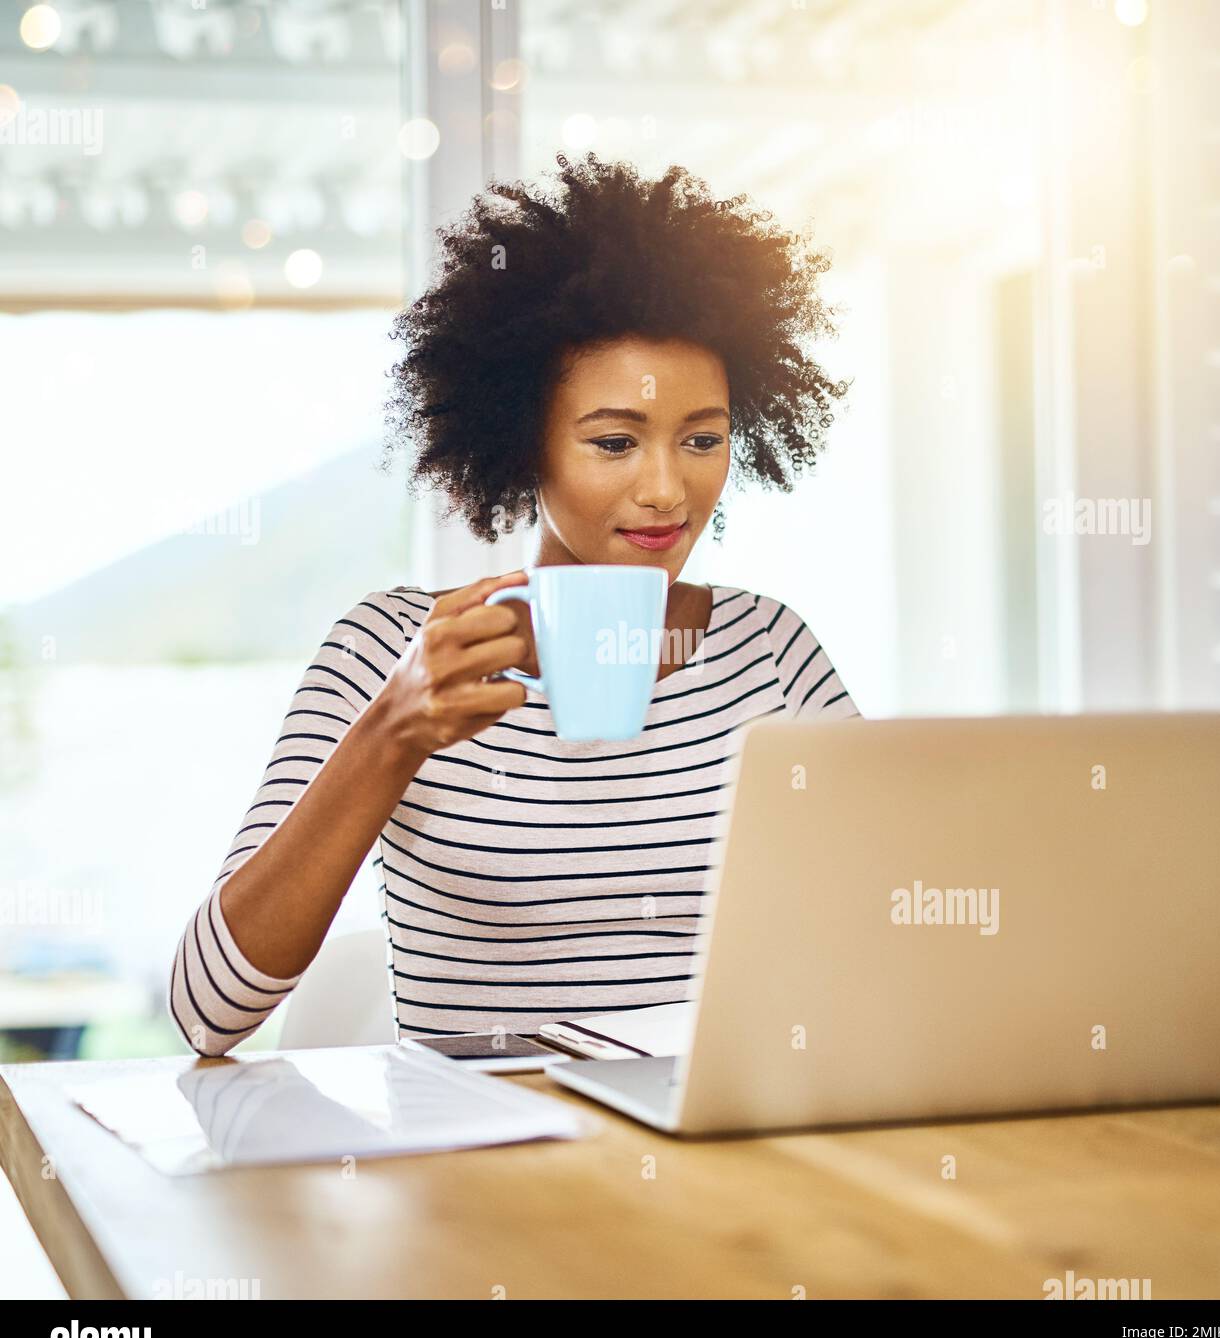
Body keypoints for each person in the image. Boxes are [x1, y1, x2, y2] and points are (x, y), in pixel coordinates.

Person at [169, 154, 859, 1057]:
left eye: (702, 439)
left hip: (716, 1163)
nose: (667, 489)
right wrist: (392, 733)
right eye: (614, 441)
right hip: (478, 1171)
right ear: (520, 442)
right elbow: (207, 1013)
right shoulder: (390, 647)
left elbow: (886, 932)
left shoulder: (769, 649)